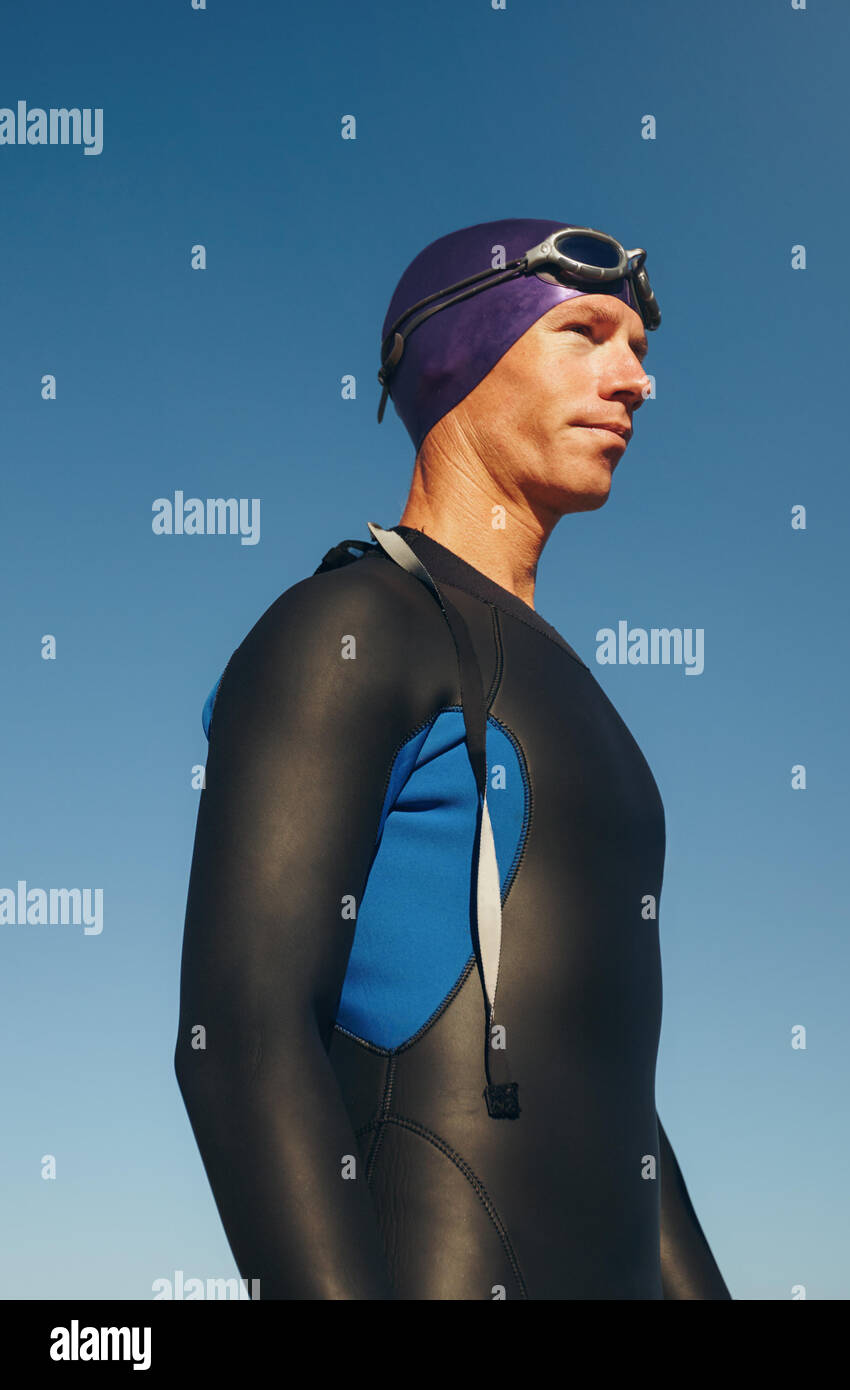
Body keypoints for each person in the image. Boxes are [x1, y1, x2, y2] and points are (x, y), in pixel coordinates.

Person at [173, 218, 730, 1299]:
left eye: (642, 352)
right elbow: (239, 1038)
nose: (635, 381)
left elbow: (615, 1107)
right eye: (586, 334)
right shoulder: (348, 629)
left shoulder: (581, 698)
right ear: (459, 354)